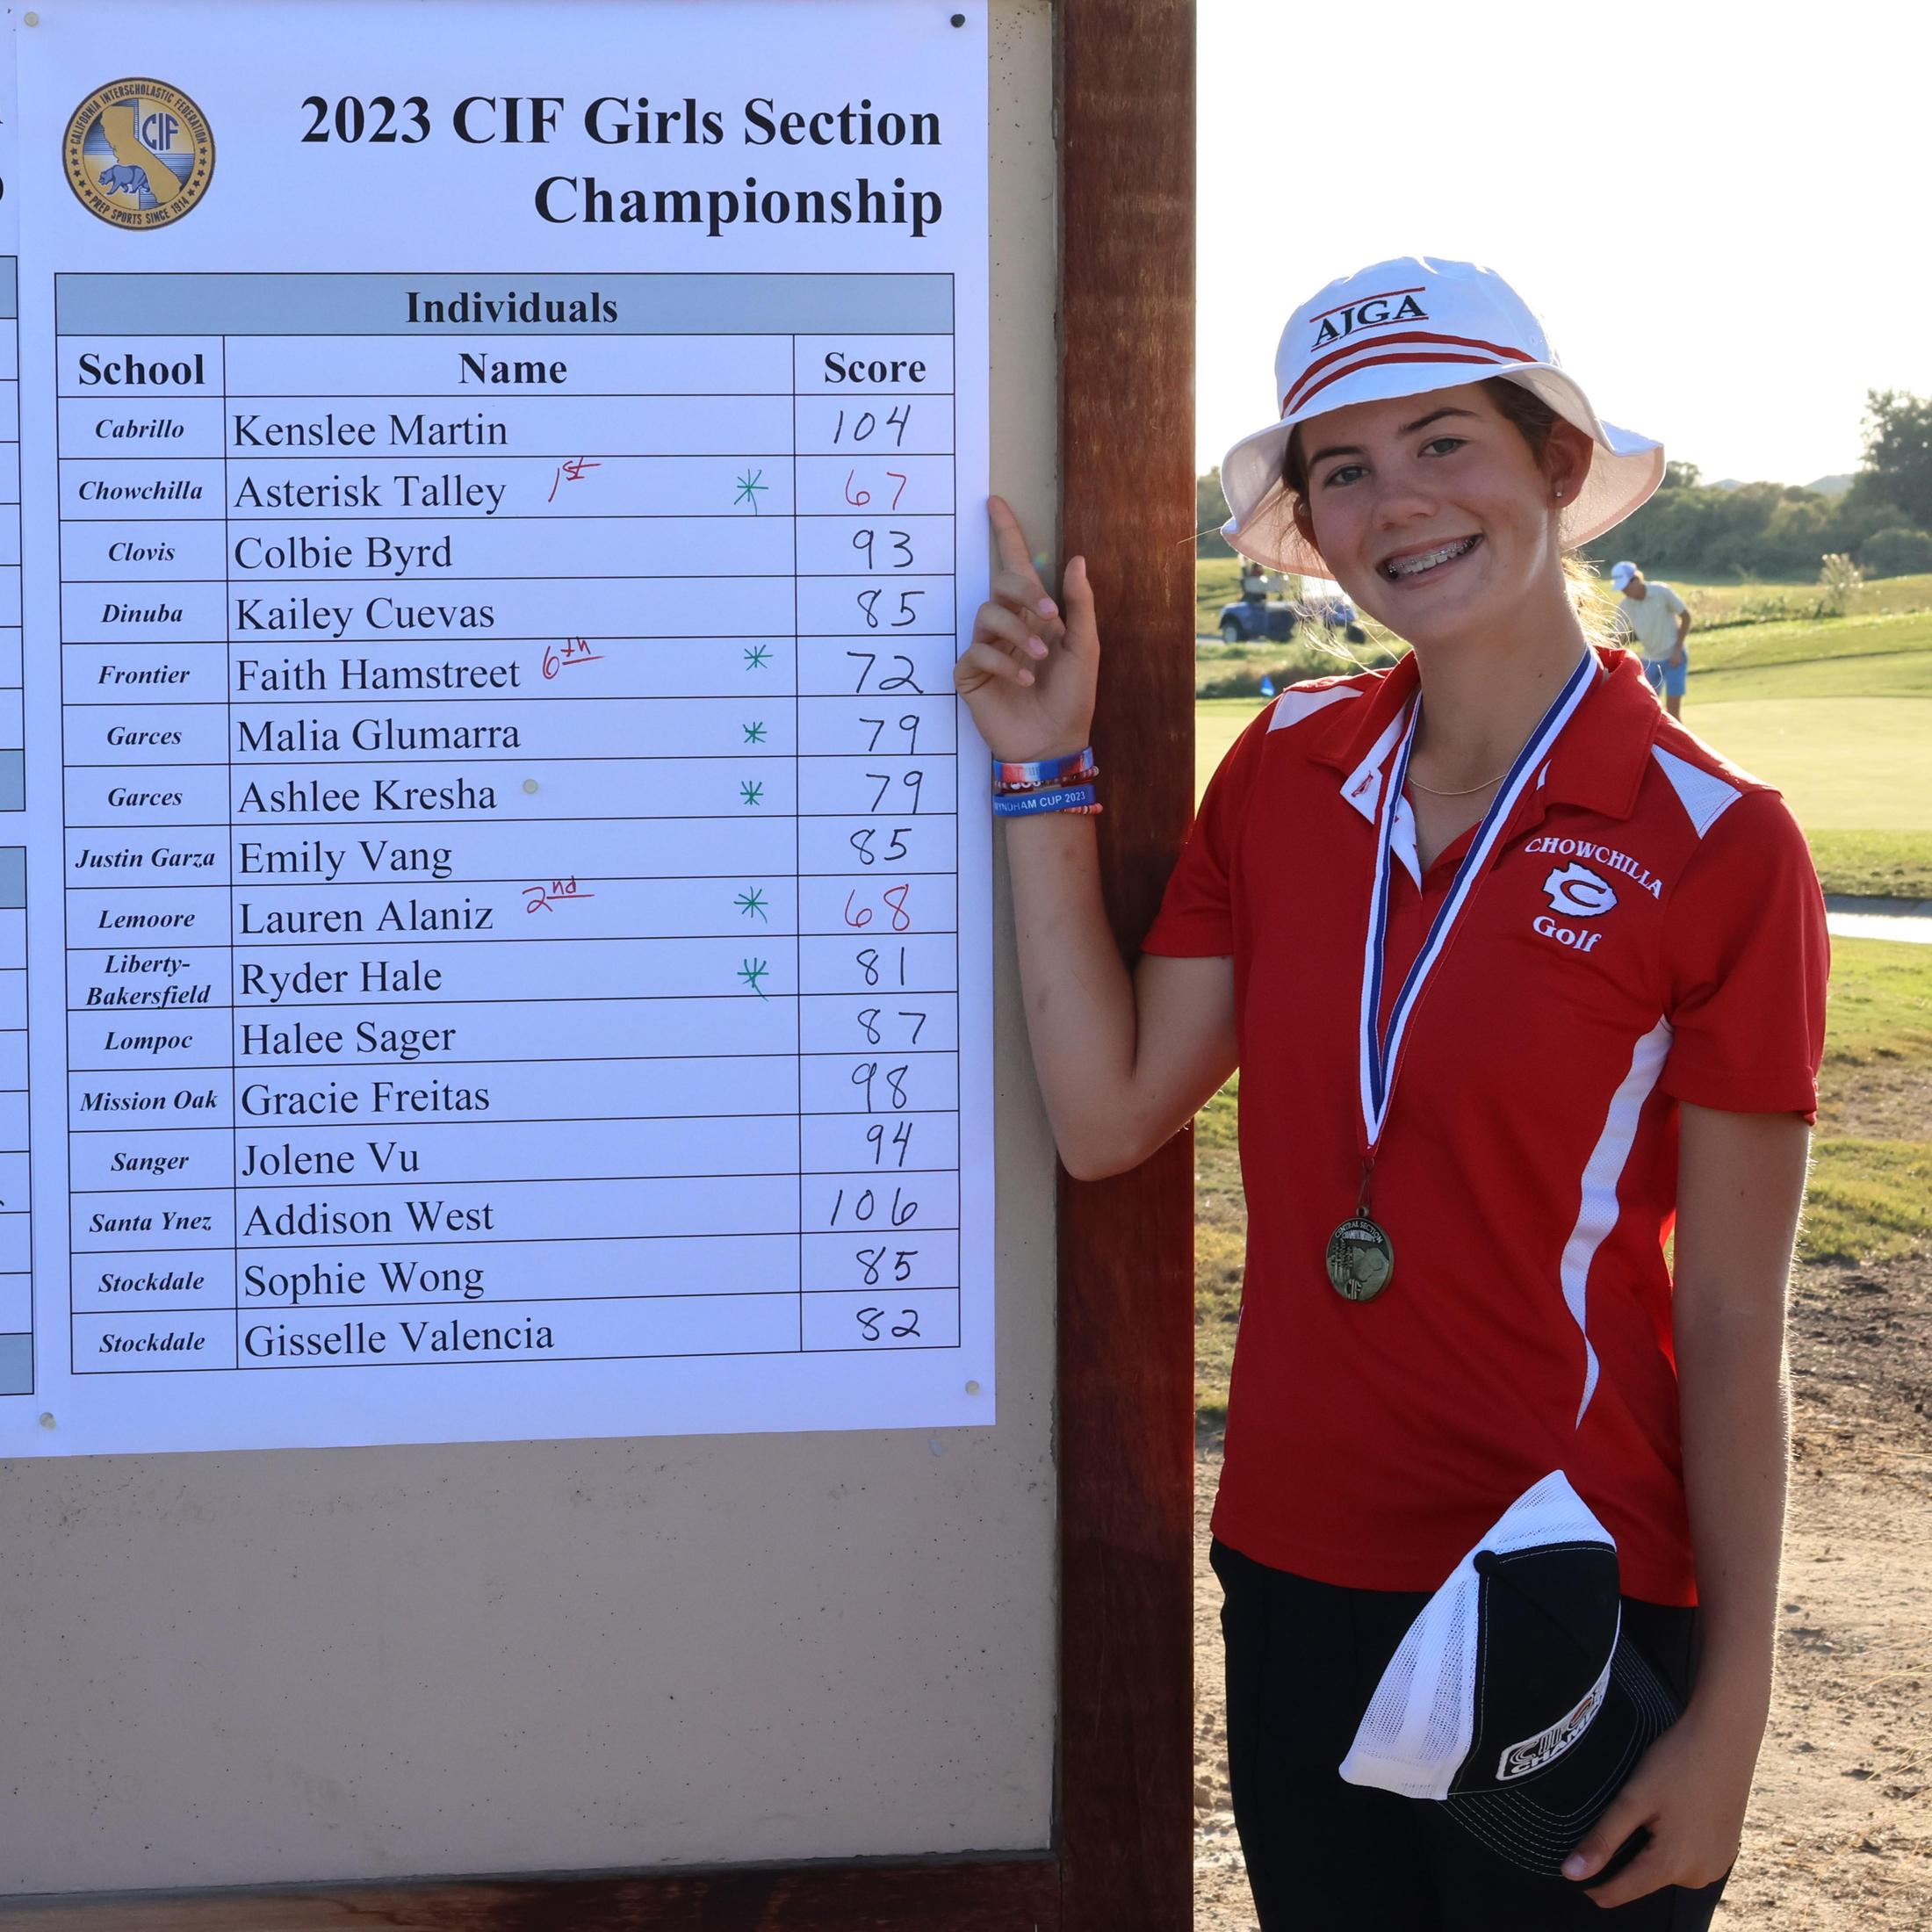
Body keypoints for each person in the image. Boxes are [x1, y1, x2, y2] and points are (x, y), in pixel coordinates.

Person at [955, 257, 1827, 1929]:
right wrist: (1040, 769)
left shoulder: (1721, 843)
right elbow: (1108, 1113)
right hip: (1296, 1567)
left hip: (1571, 1586)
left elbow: (1729, 1315)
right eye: (1342, 468)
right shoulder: (1283, 770)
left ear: (1558, 468)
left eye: (1444, 443)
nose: (1396, 504)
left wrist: (1731, 1718)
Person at [1611, 559, 1692, 718]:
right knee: (1648, 712)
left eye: (1626, 586)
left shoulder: (1661, 592)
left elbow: (1686, 616)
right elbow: (1617, 638)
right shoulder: (1624, 606)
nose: (1624, 592)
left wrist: (1677, 649)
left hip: (1675, 658)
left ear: (1636, 580)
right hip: (1650, 662)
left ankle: (1677, 744)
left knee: (1673, 713)